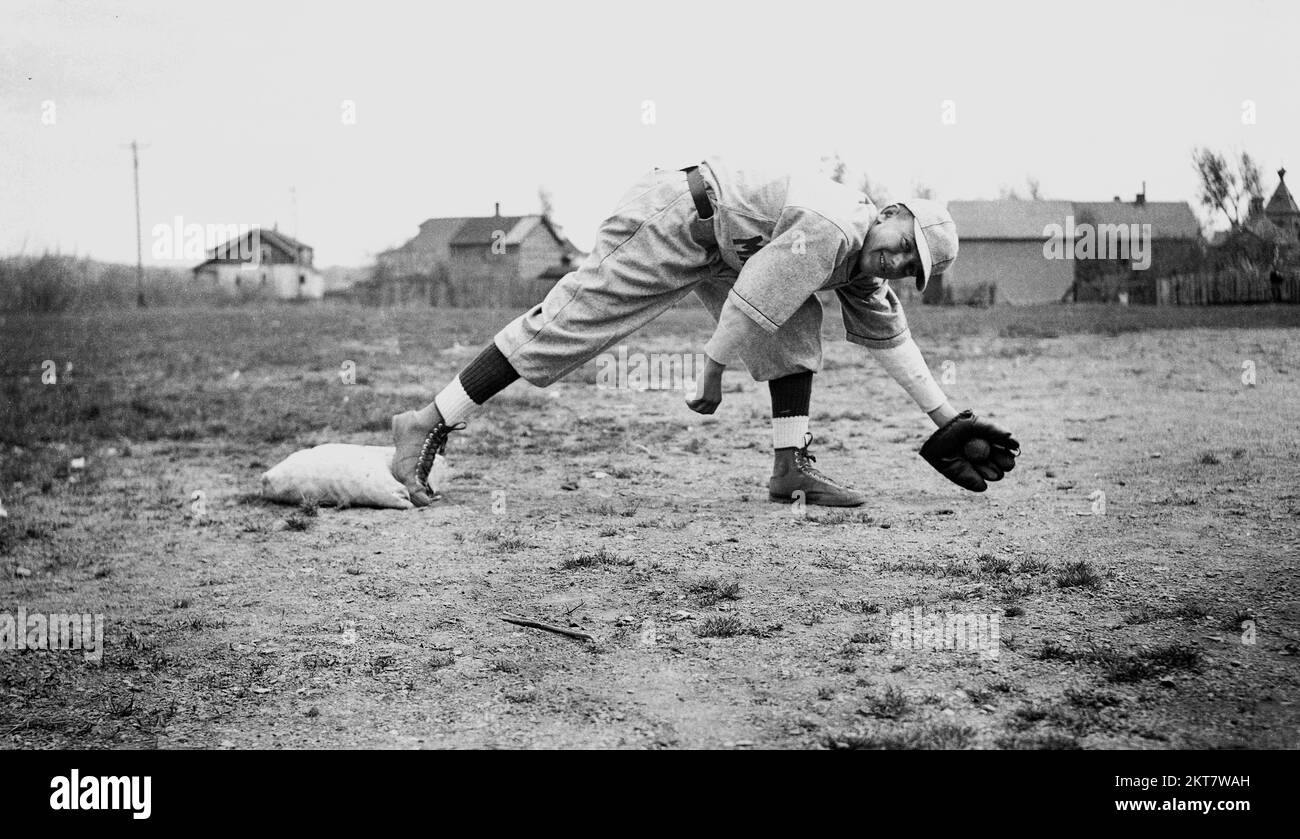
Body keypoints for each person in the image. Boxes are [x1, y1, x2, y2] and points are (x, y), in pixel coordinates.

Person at [392, 156, 1018, 508]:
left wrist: (946, 421)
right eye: (905, 247)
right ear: (889, 215)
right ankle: (427, 420)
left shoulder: (863, 259)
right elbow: (750, 301)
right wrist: (712, 372)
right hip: (675, 217)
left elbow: (893, 341)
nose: (901, 264)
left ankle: (789, 467)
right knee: (566, 328)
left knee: (797, 325)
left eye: (914, 267)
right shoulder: (832, 227)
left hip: (727, 244)